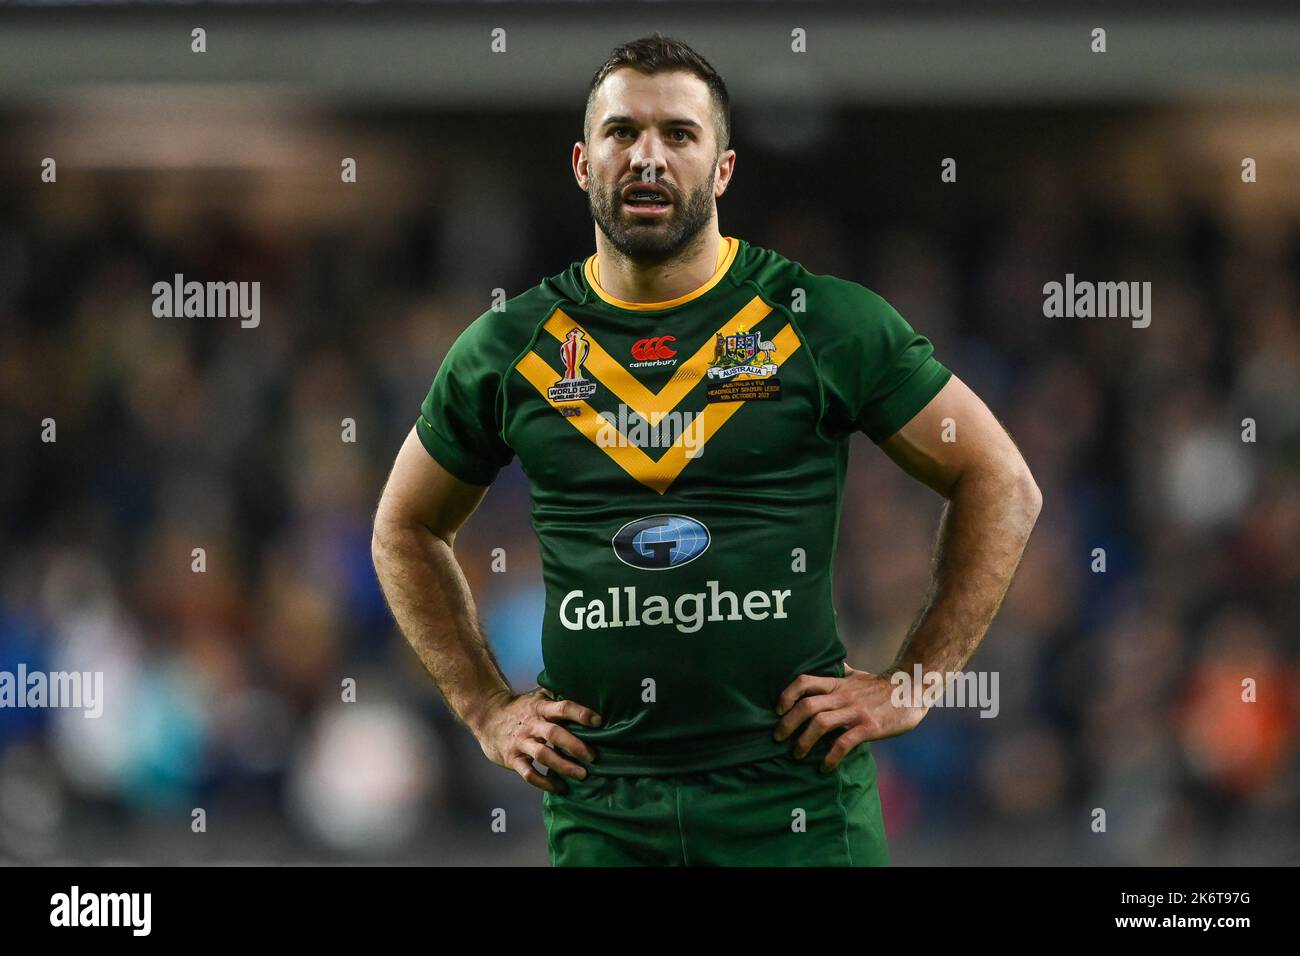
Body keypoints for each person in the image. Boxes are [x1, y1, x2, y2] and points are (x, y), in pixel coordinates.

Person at [372, 33, 1042, 866]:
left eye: (679, 135)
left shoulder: (822, 320)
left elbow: (1001, 481)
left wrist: (912, 684)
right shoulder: (509, 348)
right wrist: (483, 707)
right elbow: (403, 526)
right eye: (623, 133)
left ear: (722, 169)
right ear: (584, 163)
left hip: (794, 800)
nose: (648, 157)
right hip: (604, 806)